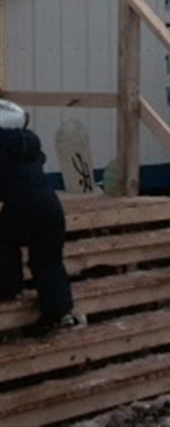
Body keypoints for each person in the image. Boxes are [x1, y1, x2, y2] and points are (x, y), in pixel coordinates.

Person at [0, 100, 75, 337]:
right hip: (51, 209)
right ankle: (58, 312)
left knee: (3, 239)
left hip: (21, 209)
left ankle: (8, 286)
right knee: (49, 262)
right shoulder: (28, 147)